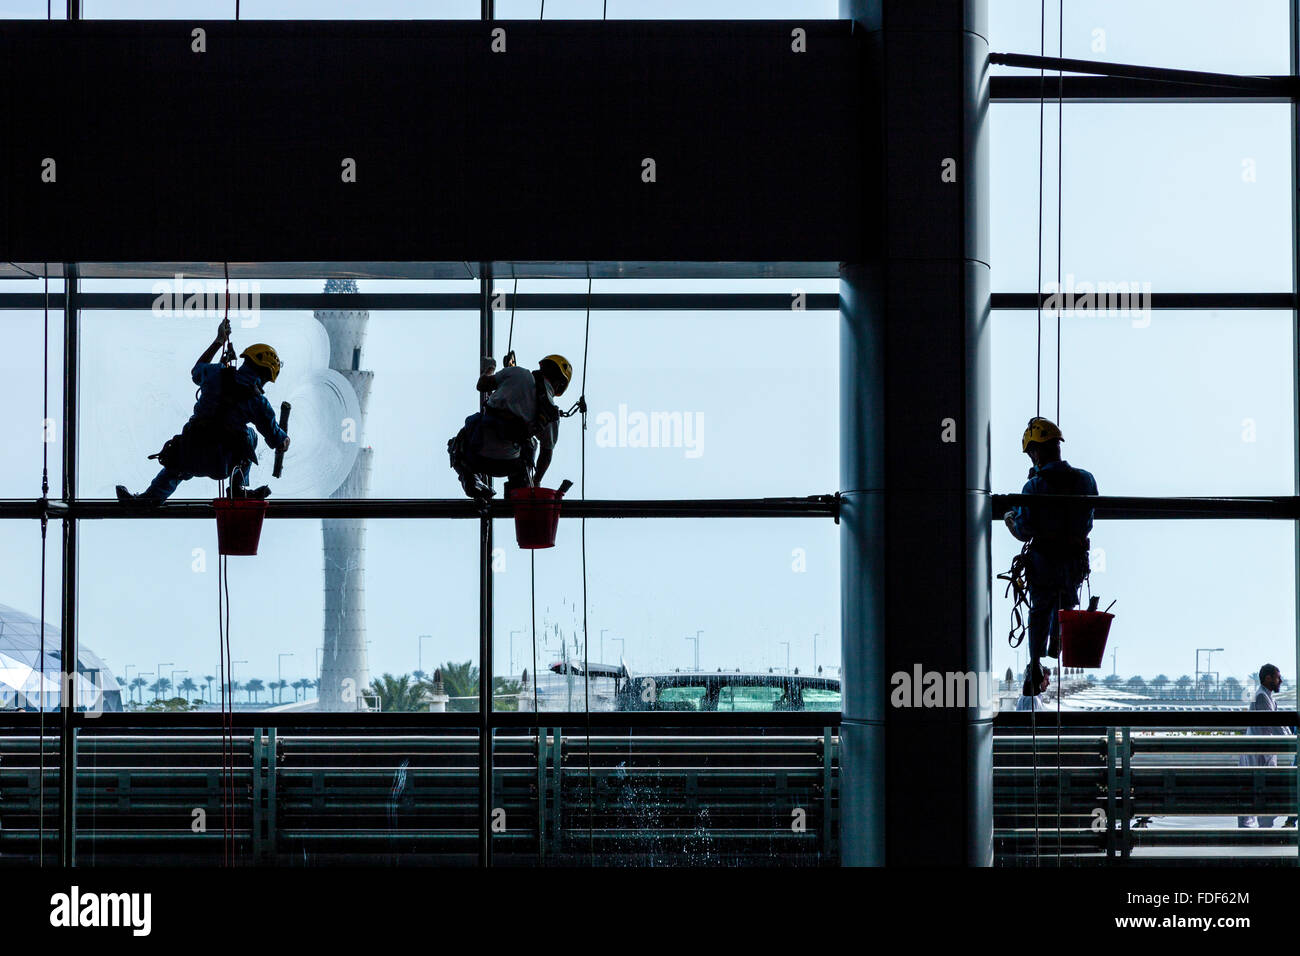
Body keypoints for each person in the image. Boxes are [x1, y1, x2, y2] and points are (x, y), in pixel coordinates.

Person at [116, 318, 289, 503]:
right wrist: (284, 440)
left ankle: (149, 499)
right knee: (250, 435)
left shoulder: (216, 373)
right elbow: (276, 439)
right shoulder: (258, 402)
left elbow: (196, 371)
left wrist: (219, 341)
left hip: (191, 449)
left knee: (175, 468)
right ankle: (238, 488)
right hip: (221, 461)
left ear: (247, 360)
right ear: (265, 377)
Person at [1004, 417, 1098, 696]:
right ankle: (1057, 640)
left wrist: (1010, 517)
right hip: (1073, 563)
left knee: (1040, 609)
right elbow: (1089, 517)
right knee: (1067, 603)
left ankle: (1035, 664)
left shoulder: (1034, 487)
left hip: (1045, 562)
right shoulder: (1085, 479)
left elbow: (1024, 530)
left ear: (1035, 452)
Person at [448, 353, 573, 502]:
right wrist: (536, 481)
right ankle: (519, 488)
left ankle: (470, 478)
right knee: (530, 444)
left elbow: (482, 384)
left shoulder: (518, 373)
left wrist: (490, 368)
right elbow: (546, 455)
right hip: (507, 463)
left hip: (476, 453)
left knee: (458, 441)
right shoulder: (551, 413)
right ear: (559, 386)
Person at [1238, 664, 1286, 829]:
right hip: (1259, 754)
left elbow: (1278, 722)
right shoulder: (1261, 697)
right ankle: (1258, 830)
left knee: (1262, 792)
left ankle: (1261, 828)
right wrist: (1291, 739)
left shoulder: (1266, 696)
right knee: (1259, 792)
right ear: (1268, 678)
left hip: (1263, 753)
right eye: (1277, 677)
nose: (1280, 681)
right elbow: (1275, 725)